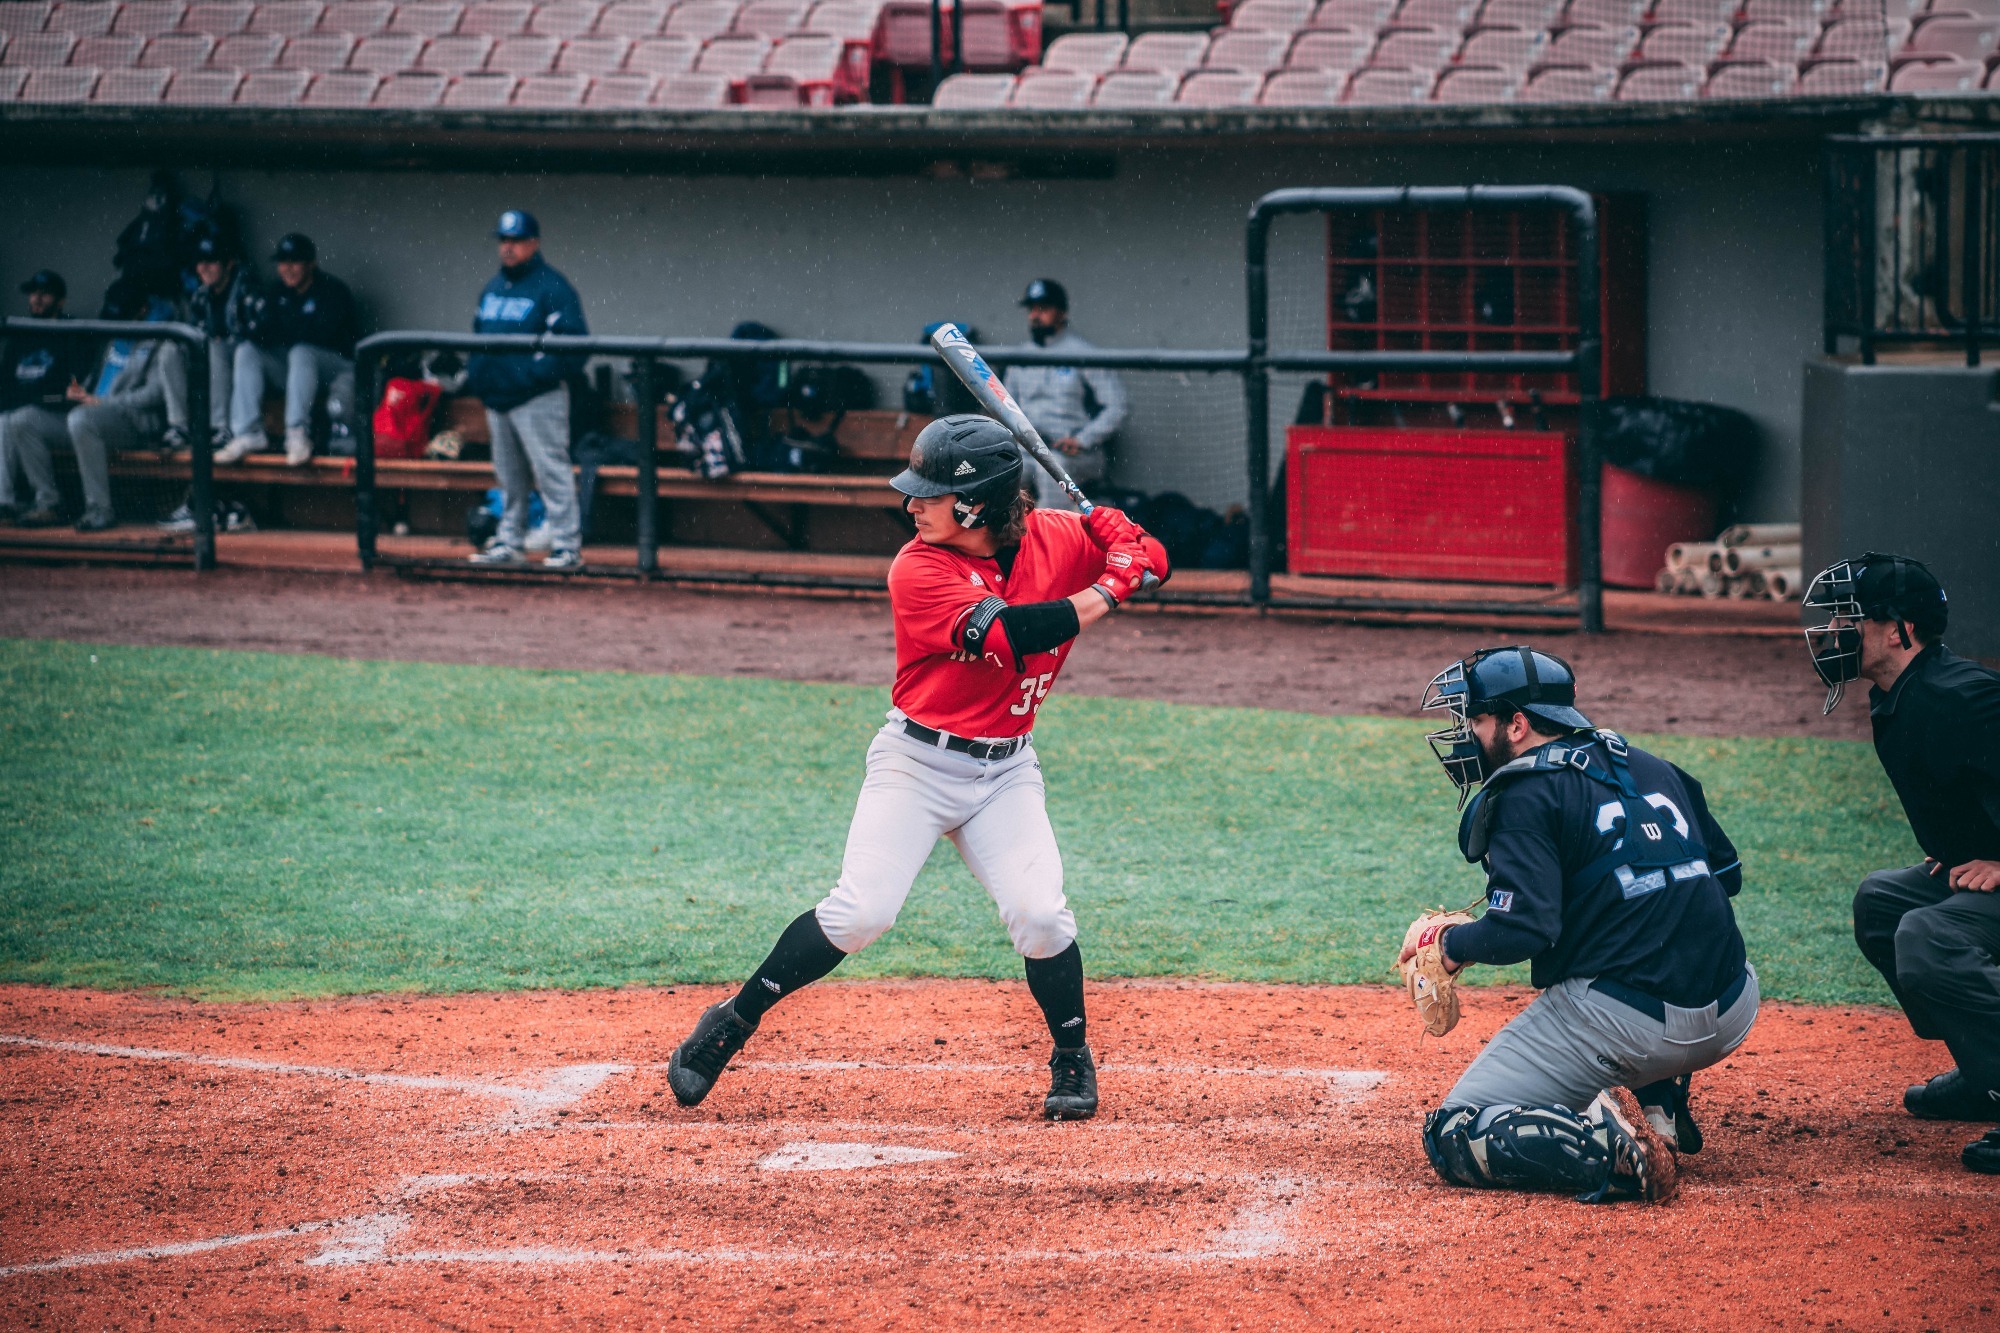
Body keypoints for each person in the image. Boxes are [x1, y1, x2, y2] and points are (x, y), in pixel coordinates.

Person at [663, 416, 1167, 1121]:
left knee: (1042, 916)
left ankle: (1072, 1053)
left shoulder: (1056, 536)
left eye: (930, 494)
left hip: (1005, 771)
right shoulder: (919, 567)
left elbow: (1155, 554)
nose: (912, 505)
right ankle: (731, 1021)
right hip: (916, 764)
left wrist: (1126, 539)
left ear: (977, 506)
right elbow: (1011, 636)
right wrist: (1114, 586)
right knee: (862, 910)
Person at [1404, 646, 1757, 1204]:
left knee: (1453, 1130)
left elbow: (1524, 931)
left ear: (1516, 725)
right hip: (1735, 1006)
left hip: (1634, 1029)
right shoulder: (1651, 765)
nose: (1467, 733)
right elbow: (1726, 876)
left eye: (1476, 718)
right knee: (1644, 932)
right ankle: (1658, 1108)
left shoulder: (1523, 791)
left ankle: (1603, 1145)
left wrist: (1449, 945)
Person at [1805, 553, 2000, 1176]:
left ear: (1898, 630)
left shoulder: (1961, 696)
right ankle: (1986, 1073)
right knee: (1886, 904)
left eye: (1850, 618)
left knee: (1930, 934)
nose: (1834, 632)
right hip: (1970, 871)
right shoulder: (1905, 693)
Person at [462, 209, 588, 571]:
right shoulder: (493, 287)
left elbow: (576, 344)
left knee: (552, 472)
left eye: (516, 240)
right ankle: (510, 541)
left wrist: (532, 374)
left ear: (534, 243)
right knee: (509, 478)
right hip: (498, 399)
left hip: (538, 398)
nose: (508, 247)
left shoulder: (553, 286)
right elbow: (477, 334)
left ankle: (567, 547)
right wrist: (481, 376)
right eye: (504, 240)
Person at [216, 232, 358, 467]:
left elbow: (320, 336)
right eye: (283, 263)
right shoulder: (278, 292)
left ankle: (296, 434)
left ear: (311, 264)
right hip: (298, 373)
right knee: (248, 350)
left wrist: (283, 328)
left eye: (294, 262)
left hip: (336, 369)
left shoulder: (332, 290)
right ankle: (248, 432)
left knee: (301, 351)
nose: (287, 269)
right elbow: (265, 332)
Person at [58, 279, 182, 531]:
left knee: (81, 420)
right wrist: (80, 392)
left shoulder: (160, 337)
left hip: (135, 421)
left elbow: (155, 394)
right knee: (24, 421)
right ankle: (42, 504)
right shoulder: (113, 337)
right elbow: (97, 380)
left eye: (124, 314)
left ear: (142, 310)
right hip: (97, 415)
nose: (117, 319)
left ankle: (99, 510)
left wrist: (105, 402)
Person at [1002, 279, 1128, 511]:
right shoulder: (1019, 357)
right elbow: (1006, 408)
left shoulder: (1083, 353)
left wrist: (1083, 439)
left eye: (1043, 308)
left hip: (1076, 451)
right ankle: (1003, 543)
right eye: (1032, 309)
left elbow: (1117, 406)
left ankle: (1051, 542)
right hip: (1031, 449)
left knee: (1051, 469)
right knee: (1003, 472)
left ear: (1062, 312)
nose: (1035, 315)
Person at [0, 269, 91, 527]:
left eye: (45, 293)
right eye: (33, 293)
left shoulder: (73, 333)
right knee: (6, 418)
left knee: (20, 417)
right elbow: (5, 388)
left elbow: (68, 391)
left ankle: (49, 502)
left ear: (60, 301)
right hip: (27, 414)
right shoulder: (21, 333)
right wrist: (39, 393)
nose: (37, 298)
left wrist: (37, 394)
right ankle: (4, 503)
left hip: (64, 419)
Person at [172, 229, 264, 455]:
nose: (203, 267)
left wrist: (224, 339)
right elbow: (194, 331)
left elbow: (260, 335)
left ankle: (220, 427)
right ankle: (179, 425)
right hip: (210, 361)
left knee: (216, 348)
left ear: (229, 263)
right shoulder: (201, 295)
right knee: (170, 351)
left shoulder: (247, 289)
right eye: (200, 262)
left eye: (211, 261)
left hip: (243, 362)